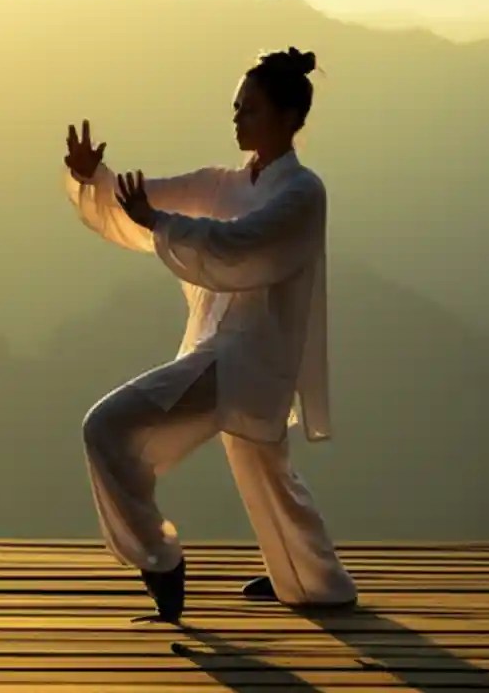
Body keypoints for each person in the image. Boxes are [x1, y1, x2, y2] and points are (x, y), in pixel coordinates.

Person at [62, 47, 357, 623]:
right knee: (268, 474)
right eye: (236, 107)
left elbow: (242, 245)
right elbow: (144, 196)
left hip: (250, 359)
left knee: (106, 426)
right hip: (226, 354)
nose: (237, 117)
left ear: (288, 118)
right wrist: (93, 176)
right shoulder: (223, 184)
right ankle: (312, 580)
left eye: (250, 108)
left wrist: (160, 223)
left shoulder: (302, 193)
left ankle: (160, 558)